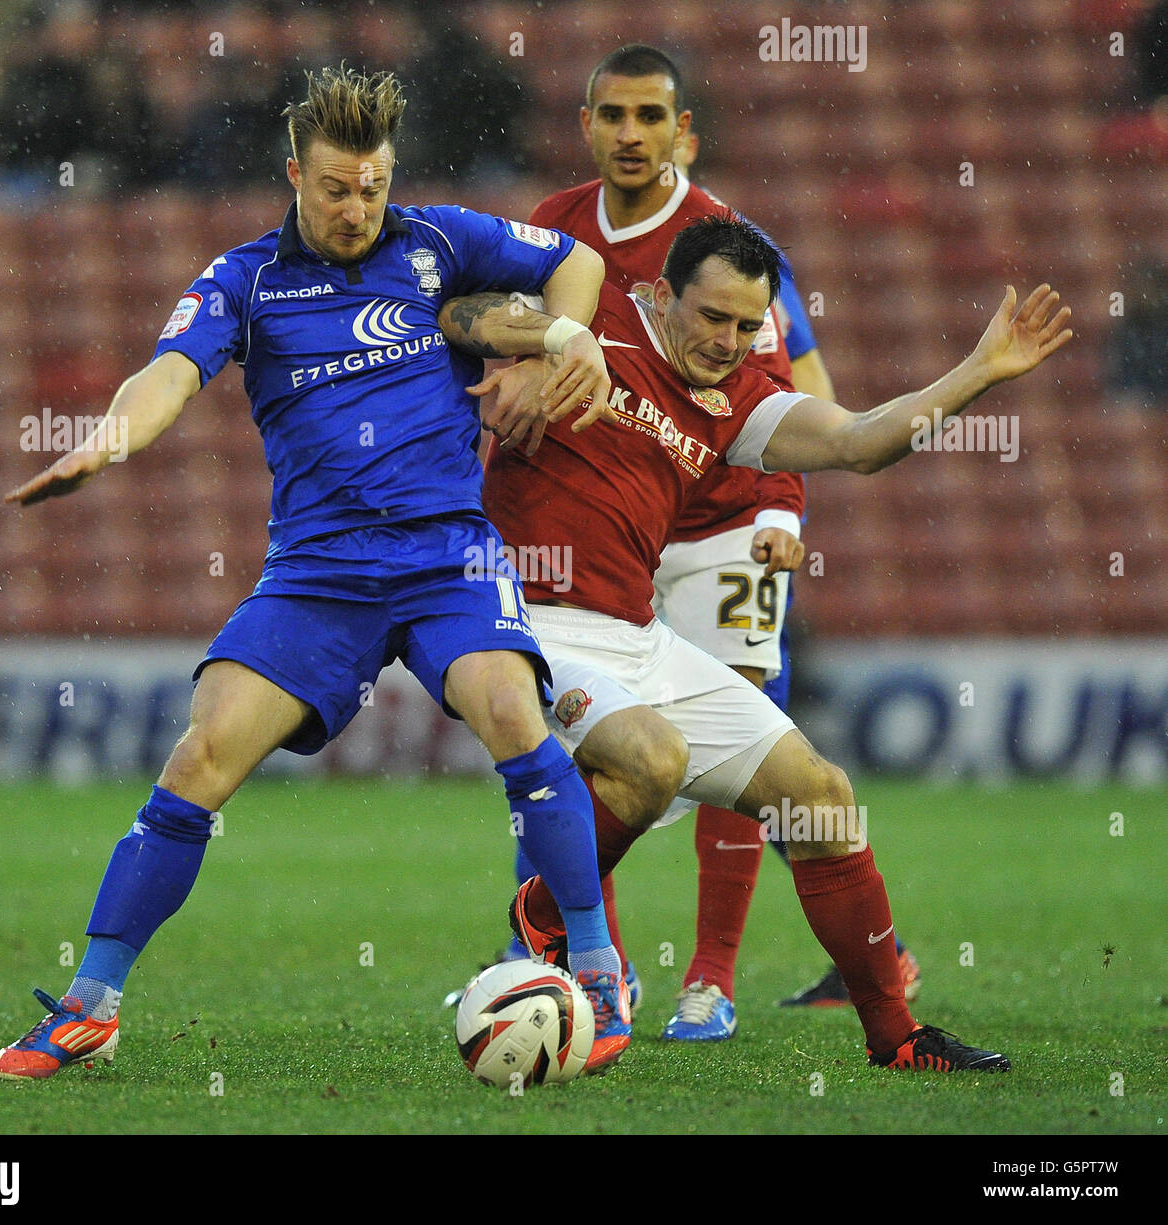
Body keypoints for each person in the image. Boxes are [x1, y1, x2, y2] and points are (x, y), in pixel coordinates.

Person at [0, 65, 634, 1080]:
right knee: (200, 760)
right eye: (335, 188)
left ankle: (596, 969)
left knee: (515, 713)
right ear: (295, 172)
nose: (356, 208)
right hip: (319, 569)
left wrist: (562, 349)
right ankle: (90, 1003)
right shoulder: (244, 278)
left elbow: (576, 260)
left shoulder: (437, 242)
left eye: (371, 187)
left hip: (443, 552)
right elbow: (169, 372)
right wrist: (107, 442)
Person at [440, 211, 1071, 1071]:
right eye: (712, 317)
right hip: (527, 624)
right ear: (662, 295)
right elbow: (454, 312)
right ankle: (548, 916)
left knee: (820, 795)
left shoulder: (734, 401)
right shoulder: (595, 319)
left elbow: (856, 440)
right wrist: (545, 341)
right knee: (652, 761)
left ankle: (897, 1038)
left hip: (638, 635)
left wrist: (979, 371)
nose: (729, 341)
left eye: (747, 325)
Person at [488, 43, 917, 1039]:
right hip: (603, 536)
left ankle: (711, 975)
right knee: (579, 757)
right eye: (613, 117)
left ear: (685, 131)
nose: (631, 136)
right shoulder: (550, 228)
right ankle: (583, 960)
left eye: (652, 118)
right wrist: (514, 353)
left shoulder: (726, 245)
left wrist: (780, 510)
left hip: (725, 516)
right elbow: (478, 320)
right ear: (587, 125)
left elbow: (794, 388)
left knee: (742, 732)